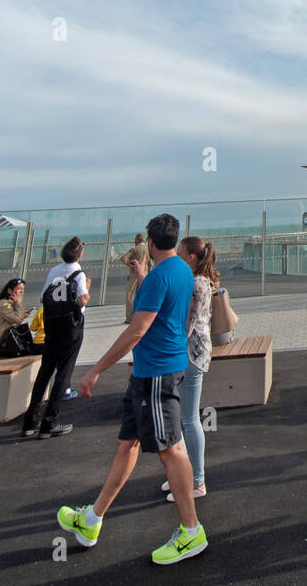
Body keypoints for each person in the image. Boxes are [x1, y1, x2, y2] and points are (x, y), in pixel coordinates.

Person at [57, 213, 209, 565]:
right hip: (151, 372)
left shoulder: (159, 277)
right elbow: (165, 305)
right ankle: (92, 519)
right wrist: (144, 277)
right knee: (128, 445)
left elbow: (136, 330)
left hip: (157, 374)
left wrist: (95, 370)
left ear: (150, 244)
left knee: (170, 449)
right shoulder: (181, 271)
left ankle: (191, 531)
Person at [157, 235, 214, 505]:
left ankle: (197, 481)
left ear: (191, 257)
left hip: (191, 354)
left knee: (190, 418)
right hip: (190, 352)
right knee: (183, 417)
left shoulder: (197, 284)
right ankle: (186, 475)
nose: (176, 258)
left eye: (180, 254)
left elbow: (187, 323)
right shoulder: (198, 281)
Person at [21, 237, 90, 438]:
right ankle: (49, 423)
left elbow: (43, 297)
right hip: (71, 326)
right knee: (63, 374)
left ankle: (30, 422)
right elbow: (82, 300)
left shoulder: (54, 271)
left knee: (45, 371)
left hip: (52, 324)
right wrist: (85, 288)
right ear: (80, 254)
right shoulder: (78, 273)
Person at [0, 278, 30, 358]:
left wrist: (22, 315)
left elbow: (13, 320)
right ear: (10, 291)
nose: (21, 291)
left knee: (26, 350)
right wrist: (19, 303)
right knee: (25, 351)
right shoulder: (4, 304)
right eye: (19, 289)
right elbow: (17, 320)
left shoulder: (9, 304)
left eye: (22, 289)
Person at [120, 234, 152, 323]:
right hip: (145, 274)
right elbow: (150, 263)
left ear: (137, 241)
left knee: (130, 296)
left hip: (134, 275)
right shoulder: (148, 250)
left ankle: (130, 318)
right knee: (143, 295)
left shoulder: (134, 249)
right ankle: (142, 317)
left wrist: (130, 265)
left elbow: (123, 258)